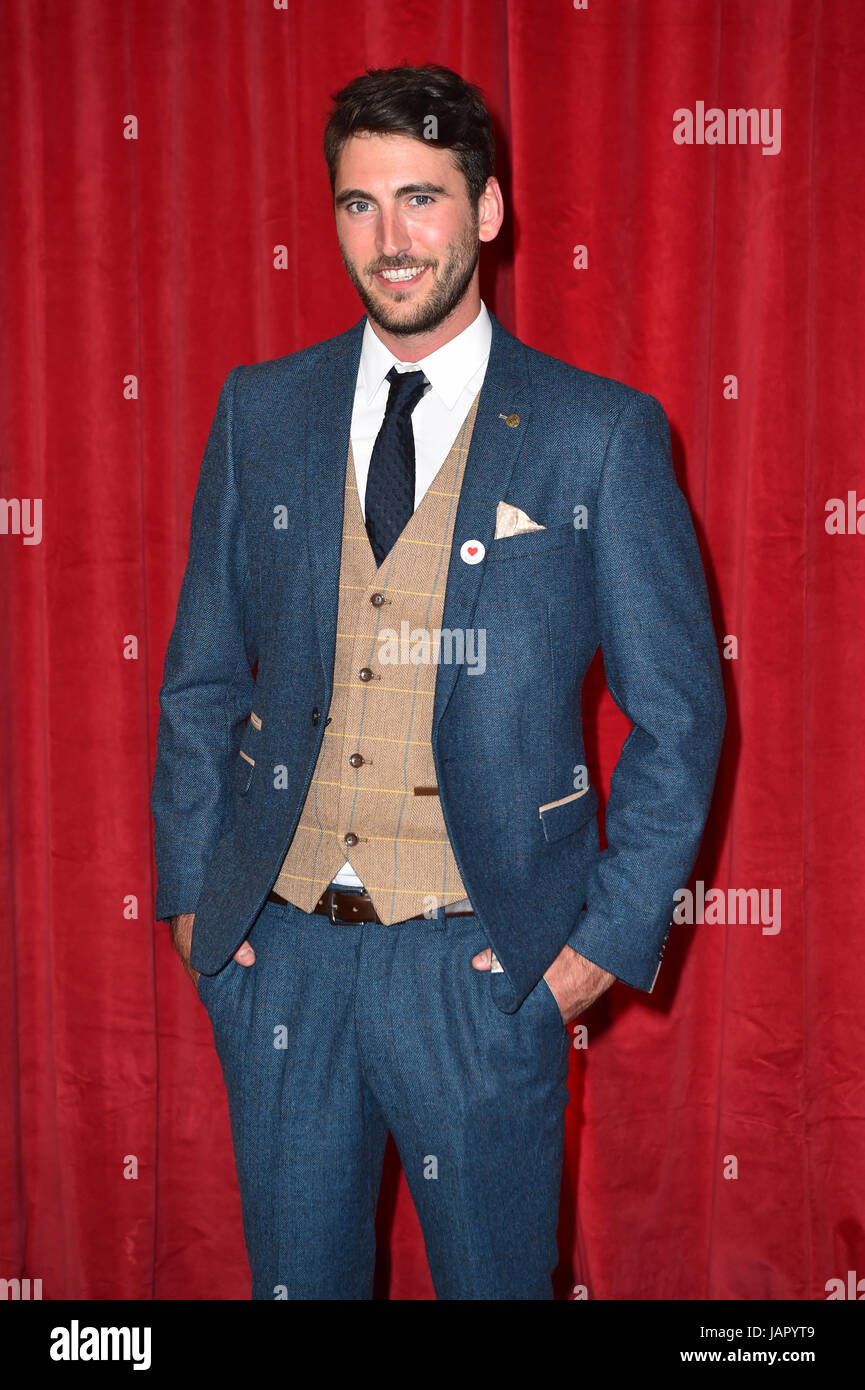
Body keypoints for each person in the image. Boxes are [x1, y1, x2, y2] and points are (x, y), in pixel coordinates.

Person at [151, 63, 726, 1300]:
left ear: (488, 210)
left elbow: (679, 715)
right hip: (281, 956)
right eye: (359, 205)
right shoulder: (261, 410)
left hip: (481, 970)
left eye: (421, 199)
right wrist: (202, 907)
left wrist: (592, 950)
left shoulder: (600, 432)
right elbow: (199, 677)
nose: (391, 239)